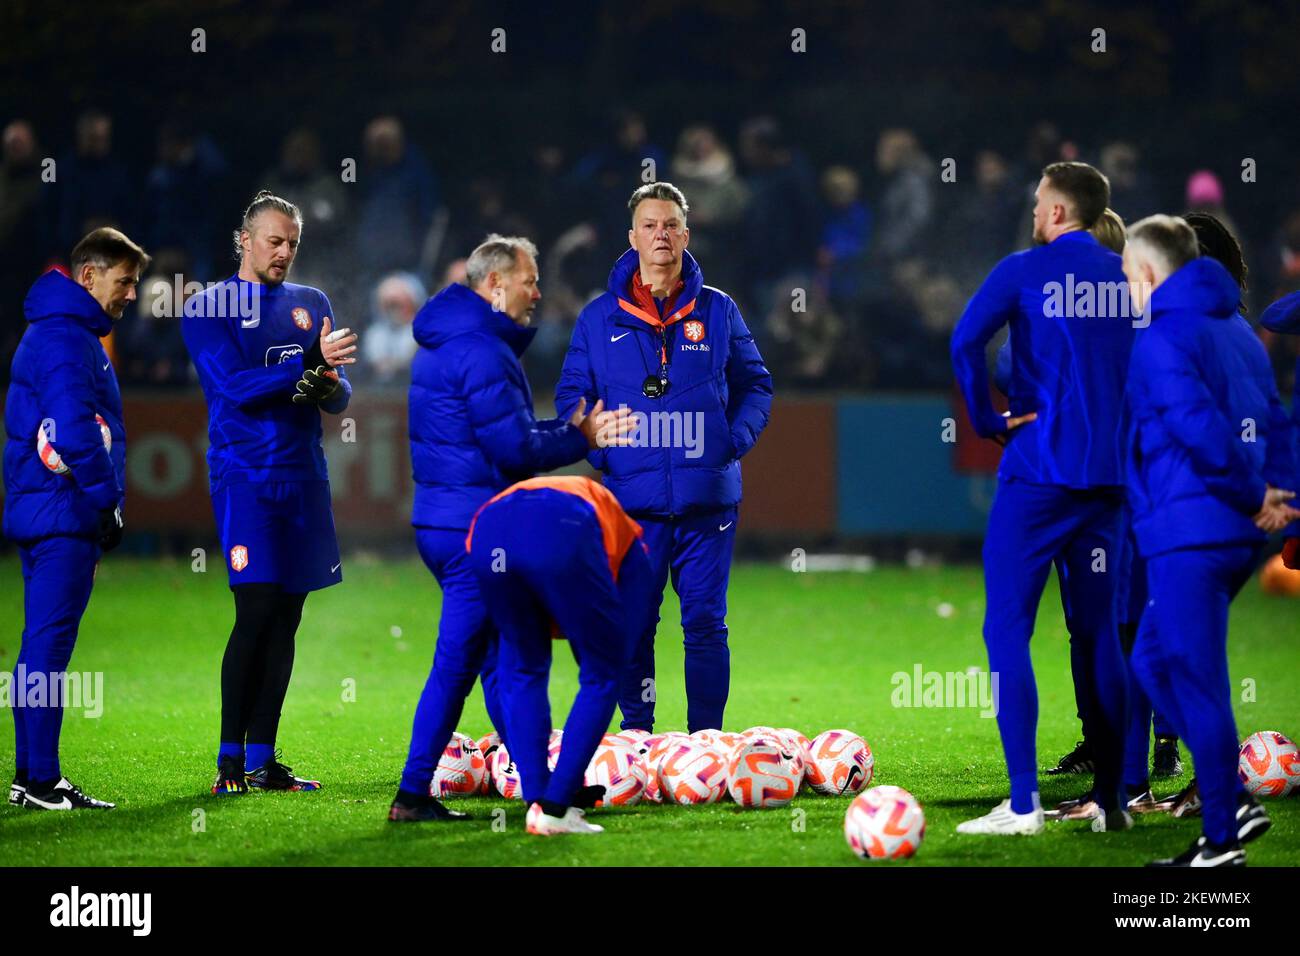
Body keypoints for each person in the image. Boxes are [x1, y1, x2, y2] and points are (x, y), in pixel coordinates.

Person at [392, 234, 629, 822]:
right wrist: (580, 437)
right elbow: (513, 447)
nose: (537, 292)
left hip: (442, 519)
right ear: (495, 284)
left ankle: (545, 787)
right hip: (475, 527)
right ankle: (413, 792)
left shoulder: (450, 340)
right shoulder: (482, 349)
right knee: (462, 661)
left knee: (499, 660)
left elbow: (502, 437)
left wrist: (565, 431)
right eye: (529, 279)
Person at [951, 162, 1135, 835]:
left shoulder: (1024, 270)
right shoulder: (1130, 277)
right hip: (1110, 485)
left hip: (1039, 475)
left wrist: (984, 420)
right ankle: (1112, 801)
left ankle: (1024, 804)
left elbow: (966, 341)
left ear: (1059, 213)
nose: (1033, 214)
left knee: (1006, 630)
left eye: (1038, 204)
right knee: (1098, 637)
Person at [555, 182, 773, 735]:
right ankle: (638, 739)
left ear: (686, 234)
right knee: (632, 626)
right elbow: (571, 398)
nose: (661, 235)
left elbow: (756, 385)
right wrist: (594, 435)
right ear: (632, 237)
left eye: (671, 224)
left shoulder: (718, 310)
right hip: (632, 501)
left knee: (704, 624)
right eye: (650, 225)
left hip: (707, 501)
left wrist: (733, 439)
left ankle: (705, 743)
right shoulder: (599, 318)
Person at [1122, 215, 1298, 866]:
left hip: (1191, 529)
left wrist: (1256, 496)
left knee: (1193, 679)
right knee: (1153, 661)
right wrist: (1280, 494)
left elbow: (1195, 426)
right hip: (1230, 530)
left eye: (1126, 274)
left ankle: (1223, 833)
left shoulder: (1162, 337)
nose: (1124, 286)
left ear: (1147, 272)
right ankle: (1227, 805)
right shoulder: (1236, 332)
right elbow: (1276, 417)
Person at [181, 191, 358, 797]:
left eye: (293, 244)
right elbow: (231, 387)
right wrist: (305, 368)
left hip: (304, 477)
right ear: (244, 240)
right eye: (274, 241)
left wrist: (325, 380)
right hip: (246, 478)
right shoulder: (208, 307)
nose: (284, 253)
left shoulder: (311, 304)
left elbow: (337, 395)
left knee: (287, 617)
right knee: (255, 610)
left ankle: (263, 759)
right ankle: (228, 765)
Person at [4, 227, 149, 809]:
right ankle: (39, 780)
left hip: (45, 508)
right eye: (125, 281)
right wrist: (106, 500)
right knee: (48, 647)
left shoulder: (56, 331)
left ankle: (33, 776)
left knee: (40, 644)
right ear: (88, 276)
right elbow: (73, 431)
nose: (132, 294)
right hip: (63, 513)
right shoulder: (68, 338)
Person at [466, 476, 655, 835]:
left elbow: (496, 663)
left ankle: (537, 800)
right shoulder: (634, 554)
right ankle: (556, 804)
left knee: (522, 670)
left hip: (487, 529)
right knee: (603, 676)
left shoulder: (599, 518)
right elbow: (617, 652)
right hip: (564, 528)